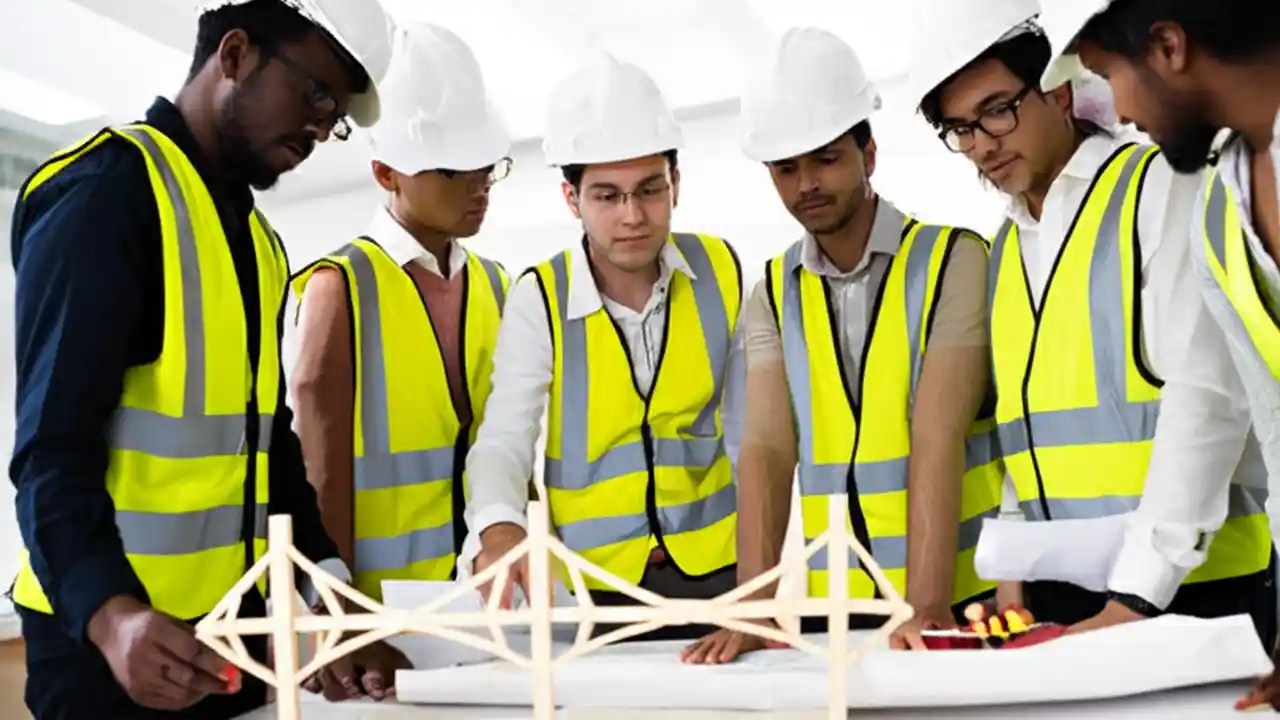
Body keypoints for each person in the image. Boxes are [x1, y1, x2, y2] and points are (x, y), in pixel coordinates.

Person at [6, 1, 407, 717]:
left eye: (335, 114)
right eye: (314, 92)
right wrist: (110, 612)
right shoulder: (107, 197)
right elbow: (50, 451)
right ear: (235, 55)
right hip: (108, 650)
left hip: (227, 641)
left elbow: (266, 446)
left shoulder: (258, 242)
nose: (321, 125)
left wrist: (331, 594)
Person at [909, 0, 1275, 645]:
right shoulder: (1004, 247)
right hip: (1065, 599)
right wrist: (1015, 573)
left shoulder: (1161, 186)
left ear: (1057, 90)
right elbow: (1025, 425)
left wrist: (1137, 594)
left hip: (1191, 589)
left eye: (997, 110)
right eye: (960, 129)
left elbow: (1207, 397)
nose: (982, 145)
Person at [679, 27, 1004, 664]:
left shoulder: (952, 260)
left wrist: (928, 604)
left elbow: (937, 433)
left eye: (825, 158)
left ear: (869, 154)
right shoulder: (772, 289)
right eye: (786, 168)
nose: (806, 184)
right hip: (844, 606)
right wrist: (754, 607)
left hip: (963, 601)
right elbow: (769, 449)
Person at [1034, 0, 1280, 707]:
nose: (1117, 109)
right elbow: (1251, 411)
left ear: (1168, 46)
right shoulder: (1219, 200)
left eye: (1109, 74)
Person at [459, 52, 746, 642]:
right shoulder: (539, 295)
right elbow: (505, 439)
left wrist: (764, 572)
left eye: (649, 190)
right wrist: (499, 530)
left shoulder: (722, 269)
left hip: (721, 573)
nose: (633, 216)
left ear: (676, 184)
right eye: (608, 196)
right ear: (572, 199)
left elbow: (752, 432)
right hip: (596, 587)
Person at [289, 22, 513, 604]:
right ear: (386, 173)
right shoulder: (338, 288)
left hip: (488, 602)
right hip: (379, 614)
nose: (479, 185)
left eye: (486, 166)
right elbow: (320, 477)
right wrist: (333, 615)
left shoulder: (498, 286)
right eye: (450, 171)